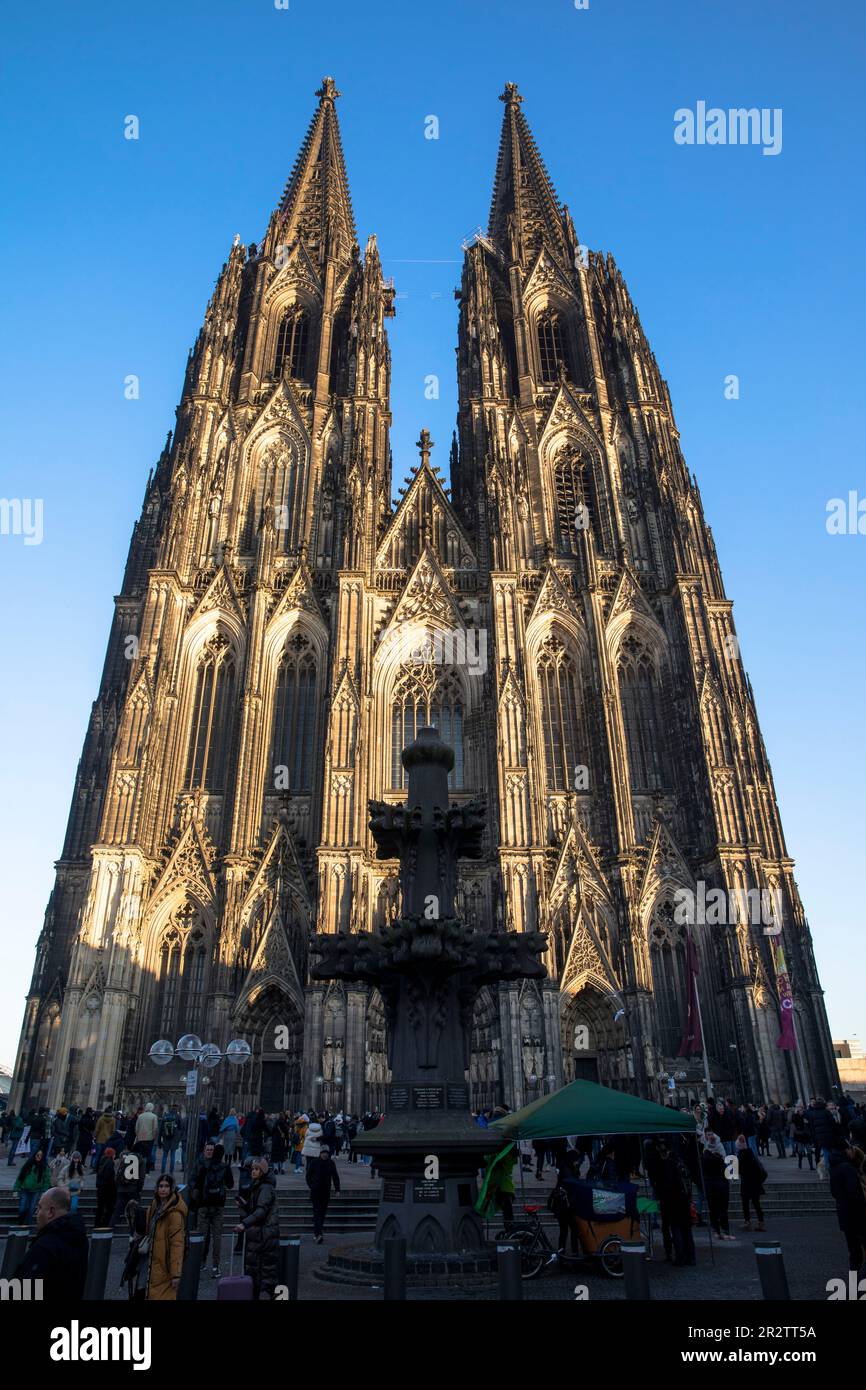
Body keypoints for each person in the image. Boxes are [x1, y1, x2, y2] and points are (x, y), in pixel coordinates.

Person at [16, 1186, 88, 1300]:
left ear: (51, 1212)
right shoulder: (78, 1237)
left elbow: (24, 1291)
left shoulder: (45, 1246)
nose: (36, 1213)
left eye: (39, 1208)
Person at [235, 1156, 279, 1298]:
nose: (253, 1172)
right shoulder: (258, 1186)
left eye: (257, 1169)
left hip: (264, 1237)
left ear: (263, 1171)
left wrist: (244, 1223)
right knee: (258, 1276)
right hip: (259, 1236)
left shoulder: (265, 1188)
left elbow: (261, 1211)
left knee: (265, 1276)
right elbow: (256, 1210)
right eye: (252, 1169)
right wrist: (244, 1205)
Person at [193, 1141, 234, 1277]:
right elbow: (230, 1185)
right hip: (218, 1205)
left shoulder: (204, 1167)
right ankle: (216, 1266)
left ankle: (199, 1263)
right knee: (217, 1237)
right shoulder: (224, 1167)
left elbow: (197, 1185)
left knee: (201, 1236)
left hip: (204, 1205)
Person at [144, 1174, 188, 1300]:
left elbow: (177, 1244)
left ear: (172, 1189)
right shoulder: (154, 1206)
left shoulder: (174, 1214)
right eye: (161, 1186)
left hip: (165, 1266)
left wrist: (176, 1274)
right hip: (152, 1263)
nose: (163, 1189)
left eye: (167, 1186)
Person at [828, 1138, 866, 1271]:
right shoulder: (847, 1168)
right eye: (851, 1149)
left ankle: (854, 1286)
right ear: (846, 1150)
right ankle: (860, 1286)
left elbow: (834, 1192)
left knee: (855, 1255)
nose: (853, 1152)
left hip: (844, 1216)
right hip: (857, 1217)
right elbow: (854, 1194)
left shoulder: (834, 1167)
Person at [700, 1132, 735, 1240]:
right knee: (720, 1209)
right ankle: (723, 1230)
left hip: (714, 1185)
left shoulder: (706, 1156)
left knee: (715, 1209)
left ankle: (718, 1230)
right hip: (719, 1185)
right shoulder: (717, 1157)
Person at [305, 1144, 341, 1243]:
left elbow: (335, 1177)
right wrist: (311, 1185)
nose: (325, 1155)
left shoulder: (331, 1163)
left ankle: (317, 1233)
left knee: (322, 1213)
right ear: (320, 1153)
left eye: (326, 1153)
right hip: (316, 1192)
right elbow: (308, 1176)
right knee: (317, 1213)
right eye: (323, 1153)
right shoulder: (314, 1162)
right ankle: (318, 1234)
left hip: (326, 1192)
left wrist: (337, 1189)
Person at [735, 1133, 767, 1230]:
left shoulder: (741, 1155)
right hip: (755, 1183)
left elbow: (739, 1170)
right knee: (756, 1203)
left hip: (746, 1183)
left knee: (745, 1203)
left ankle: (747, 1222)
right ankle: (761, 1222)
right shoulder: (751, 1153)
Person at [14, 1149, 51, 1224]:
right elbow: (20, 1176)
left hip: (36, 1190)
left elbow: (46, 1179)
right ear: (34, 1155)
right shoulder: (28, 1164)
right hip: (25, 1189)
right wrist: (16, 1188)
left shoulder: (44, 1167)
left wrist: (44, 1190)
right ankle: (20, 1222)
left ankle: (27, 1224)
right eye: (37, 1155)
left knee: (31, 1209)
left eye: (41, 1155)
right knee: (22, 1208)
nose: (39, 1157)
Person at [95, 1146, 118, 1227]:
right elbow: (110, 1178)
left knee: (100, 1208)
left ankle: (97, 1224)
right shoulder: (110, 1163)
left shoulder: (102, 1161)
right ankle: (104, 1225)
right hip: (108, 1190)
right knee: (109, 1209)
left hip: (100, 1188)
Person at [158, 1106, 182, 1175]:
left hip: (166, 1139)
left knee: (164, 1156)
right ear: (176, 1109)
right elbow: (180, 1128)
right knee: (172, 1156)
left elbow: (161, 1129)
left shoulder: (166, 1116)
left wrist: (160, 1140)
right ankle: (171, 1171)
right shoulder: (178, 1116)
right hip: (174, 1139)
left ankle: (163, 1171)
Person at [791, 1107, 814, 1171]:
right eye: (799, 1110)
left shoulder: (806, 1116)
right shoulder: (795, 1117)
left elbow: (810, 1125)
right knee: (800, 1151)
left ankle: (811, 1166)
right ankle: (800, 1162)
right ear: (797, 1111)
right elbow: (792, 1122)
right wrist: (795, 1113)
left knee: (809, 1151)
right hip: (799, 1137)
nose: (801, 1111)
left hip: (806, 1136)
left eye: (802, 1110)